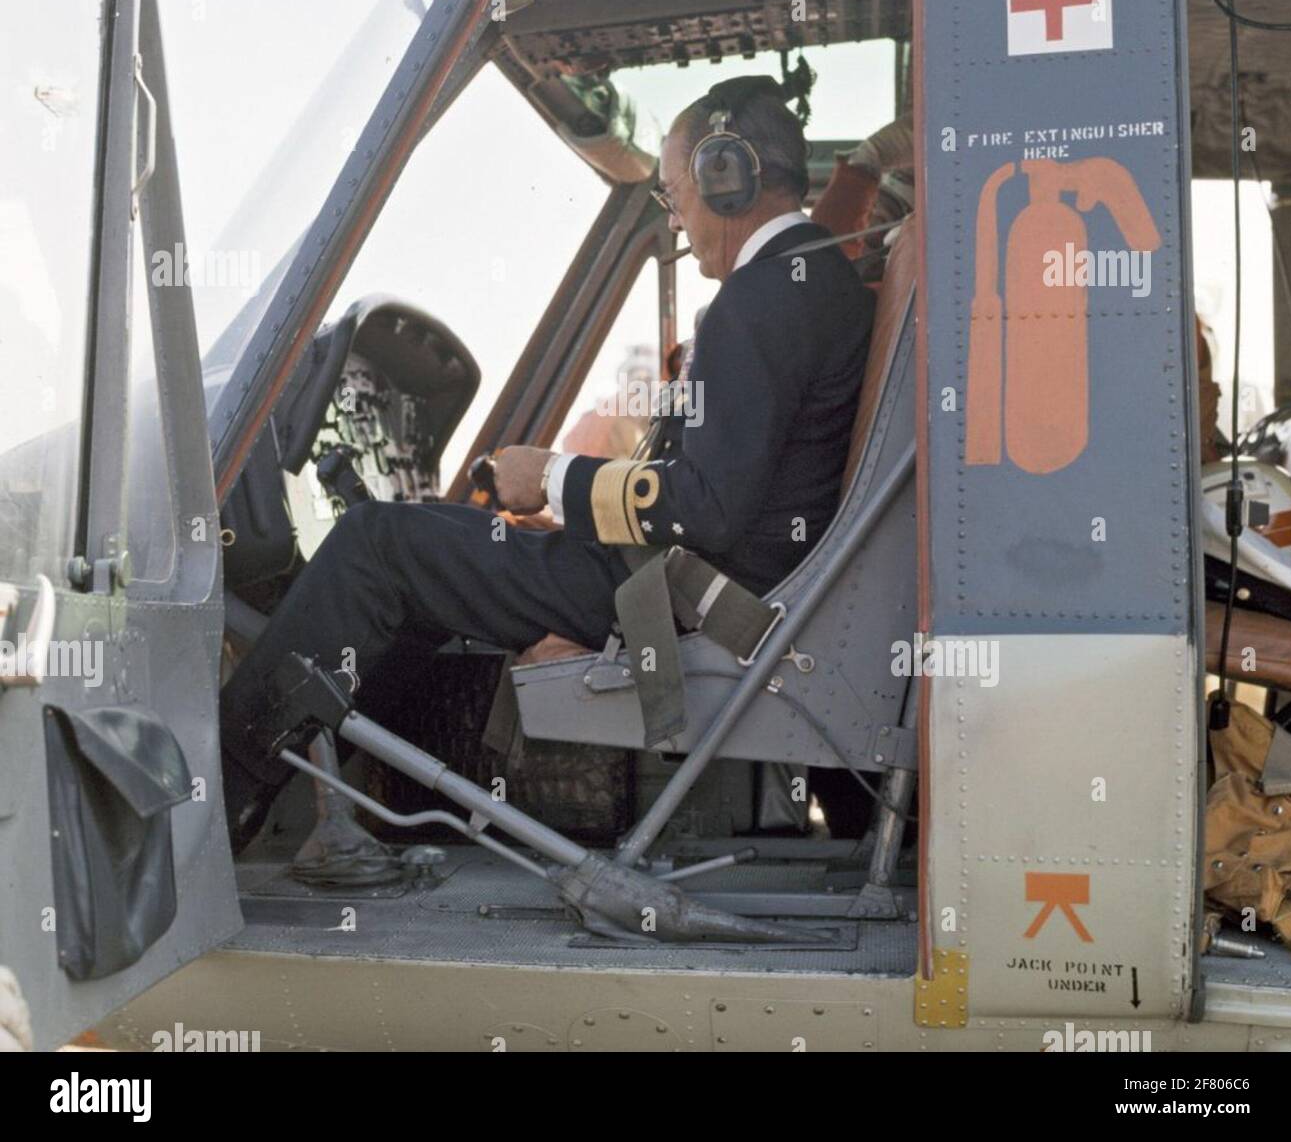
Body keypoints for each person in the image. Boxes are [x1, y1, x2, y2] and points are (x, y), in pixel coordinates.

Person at [219, 75, 874, 851]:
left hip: (699, 595)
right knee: (430, 551)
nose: (678, 223)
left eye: (674, 196)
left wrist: (554, 475)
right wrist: (571, 511)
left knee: (375, 544)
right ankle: (336, 778)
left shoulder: (761, 298)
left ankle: (214, 802)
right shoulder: (820, 282)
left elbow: (708, 507)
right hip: (712, 580)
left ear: (726, 178)